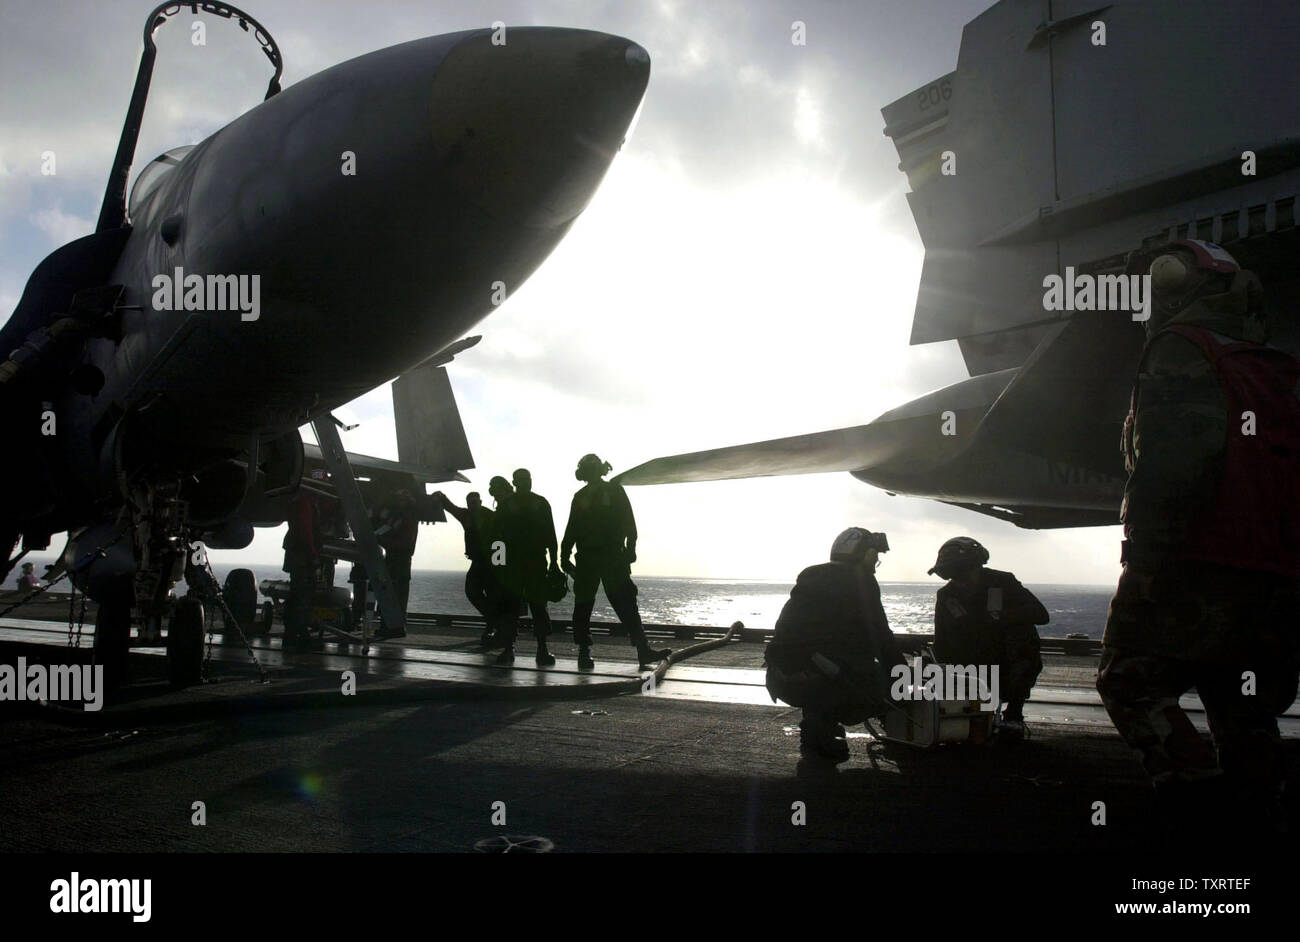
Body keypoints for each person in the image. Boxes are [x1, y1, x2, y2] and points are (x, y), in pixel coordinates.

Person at [1095, 239, 1300, 837]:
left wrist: (1148, 559)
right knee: (1239, 702)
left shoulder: (1181, 349)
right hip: (1271, 574)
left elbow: (1173, 466)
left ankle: (1194, 805)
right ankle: (1256, 817)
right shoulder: (1272, 368)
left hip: (1195, 561)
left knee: (1127, 680)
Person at [765, 528, 905, 762]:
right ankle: (823, 723)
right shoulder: (861, 582)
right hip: (823, 679)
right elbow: (880, 636)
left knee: (826, 659)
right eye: (875, 556)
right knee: (881, 681)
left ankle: (821, 723)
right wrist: (902, 675)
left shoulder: (812, 577)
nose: (876, 562)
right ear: (865, 555)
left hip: (780, 677)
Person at [928, 536, 1048, 742]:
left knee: (1020, 635)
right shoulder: (947, 595)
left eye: (960, 572)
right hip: (971, 662)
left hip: (1006, 658)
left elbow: (1040, 614)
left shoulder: (1002, 583)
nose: (957, 580)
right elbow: (942, 640)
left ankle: (1014, 714)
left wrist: (999, 618)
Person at [560, 454, 670, 670]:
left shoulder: (613, 491)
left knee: (623, 604)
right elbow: (572, 528)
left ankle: (640, 650)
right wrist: (563, 556)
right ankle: (589, 652)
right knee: (588, 606)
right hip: (596, 558)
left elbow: (629, 524)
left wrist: (630, 549)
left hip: (608, 558)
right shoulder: (585, 495)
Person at [440, 491, 506, 648]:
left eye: (475, 502)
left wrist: (501, 564)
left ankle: (494, 627)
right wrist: (441, 496)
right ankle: (493, 622)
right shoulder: (466, 515)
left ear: (480, 502)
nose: (473, 505)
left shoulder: (490, 516)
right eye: (470, 503)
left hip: (492, 563)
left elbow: (502, 539)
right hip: (478, 561)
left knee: (491, 595)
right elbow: (451, 507)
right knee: (472, 591)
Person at [282, 471, 330, 648]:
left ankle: (294, 634)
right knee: (302, 595)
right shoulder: (305, 502)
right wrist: (313, 554)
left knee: (298, 595)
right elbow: (305, 531)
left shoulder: (304, 500)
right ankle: (298, 635)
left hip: (298, 553)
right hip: (302, 555)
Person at [374, 489, 418, 640]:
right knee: (390, 593)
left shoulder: (408, 519)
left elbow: (404, 543)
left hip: (401, 560)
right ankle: (388, 625)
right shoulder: (397, 518)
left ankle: (396, 626)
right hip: (393, 559)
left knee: (397, 595)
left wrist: (382, 541)